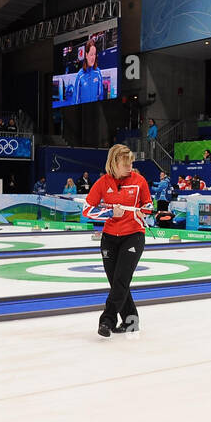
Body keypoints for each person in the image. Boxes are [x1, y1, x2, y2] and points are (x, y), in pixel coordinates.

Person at [82, 144, 153, 338]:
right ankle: (131, 322)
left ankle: (107, 320)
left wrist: (143, 211)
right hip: (109, 238)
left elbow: (148, 204)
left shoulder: (139, 181)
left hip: (133, 235)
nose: (130, 167)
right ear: (114, 163)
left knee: (121, 279)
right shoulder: (103, 183)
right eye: (125, 163)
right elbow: (87, 209)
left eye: (131, 162)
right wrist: (109, 213)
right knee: (116, 282)